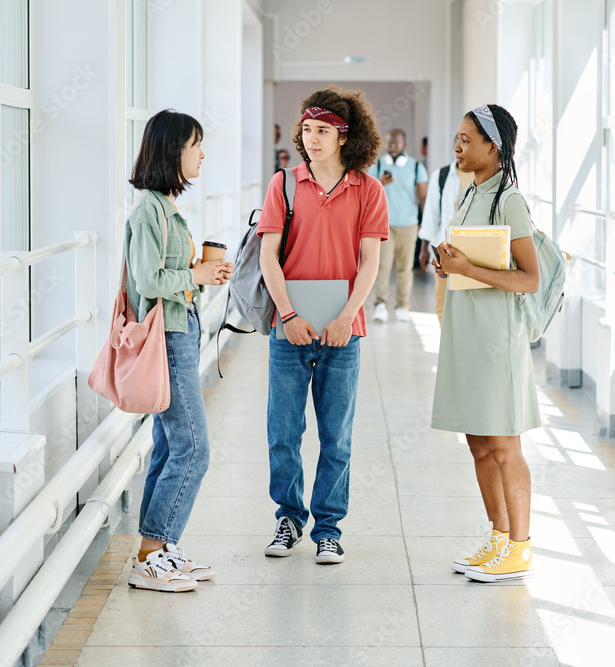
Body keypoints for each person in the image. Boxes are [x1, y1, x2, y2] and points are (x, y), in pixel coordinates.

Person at [258, 86, 388, 564]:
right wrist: (287, 315)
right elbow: (269, 256)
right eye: (307, 130)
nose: (312, 139)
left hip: (343, 332)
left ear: (344, 136)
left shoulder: (369, 190)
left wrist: (347, 316)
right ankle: (288, 520)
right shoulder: (284, 185)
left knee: (337, 436)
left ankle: (328, 527)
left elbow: (369, 261)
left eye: (323, 131)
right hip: (287, 329)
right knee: (283, 432)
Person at [431, 104, 541, 582]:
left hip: (498, 339)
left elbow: (529, 279)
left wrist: (467, 269)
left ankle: (520, 548)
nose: (457, 146)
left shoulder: (509, 201)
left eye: (465, 139)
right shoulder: (468, 192)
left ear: (492, 147)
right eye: (456, 137)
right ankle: (497, 538)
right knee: (477, 440)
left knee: (503, 443)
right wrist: (448, 264)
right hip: (467, 331)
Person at [125, 109, 234, 592]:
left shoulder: (167, 206)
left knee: (170, 445)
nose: (202, 154)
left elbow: (166, 277)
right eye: (196, 146)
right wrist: (196, 275)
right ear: (173, 151)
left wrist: (201, 274)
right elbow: (149, 281)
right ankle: (152, 555)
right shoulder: (148, 209)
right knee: (194, 448)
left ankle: (161, 549)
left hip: (179, 328)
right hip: (166, 337)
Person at [368, 129, 428, 322]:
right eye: (390, 144)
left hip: (408, 224)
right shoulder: (377, 167)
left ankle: (402, 306)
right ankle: (380, 305)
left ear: (405, 144)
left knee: (405, 268)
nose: (393, 148)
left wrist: (424, 223)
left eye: (397, 144)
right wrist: (380, 183)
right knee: (382, 266)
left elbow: (423, 197)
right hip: (383, 225)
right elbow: (367, 193)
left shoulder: (416, 167)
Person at [418, 136, 474, 324]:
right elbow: (431, 214)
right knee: (443, 302)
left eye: (465, 142)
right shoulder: (441, 175)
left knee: (470, 304)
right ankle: (447, 348)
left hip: (474, 253)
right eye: (457, 142)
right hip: (444, 251)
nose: (460, 147)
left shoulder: (483, 176)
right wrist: (423, 248)